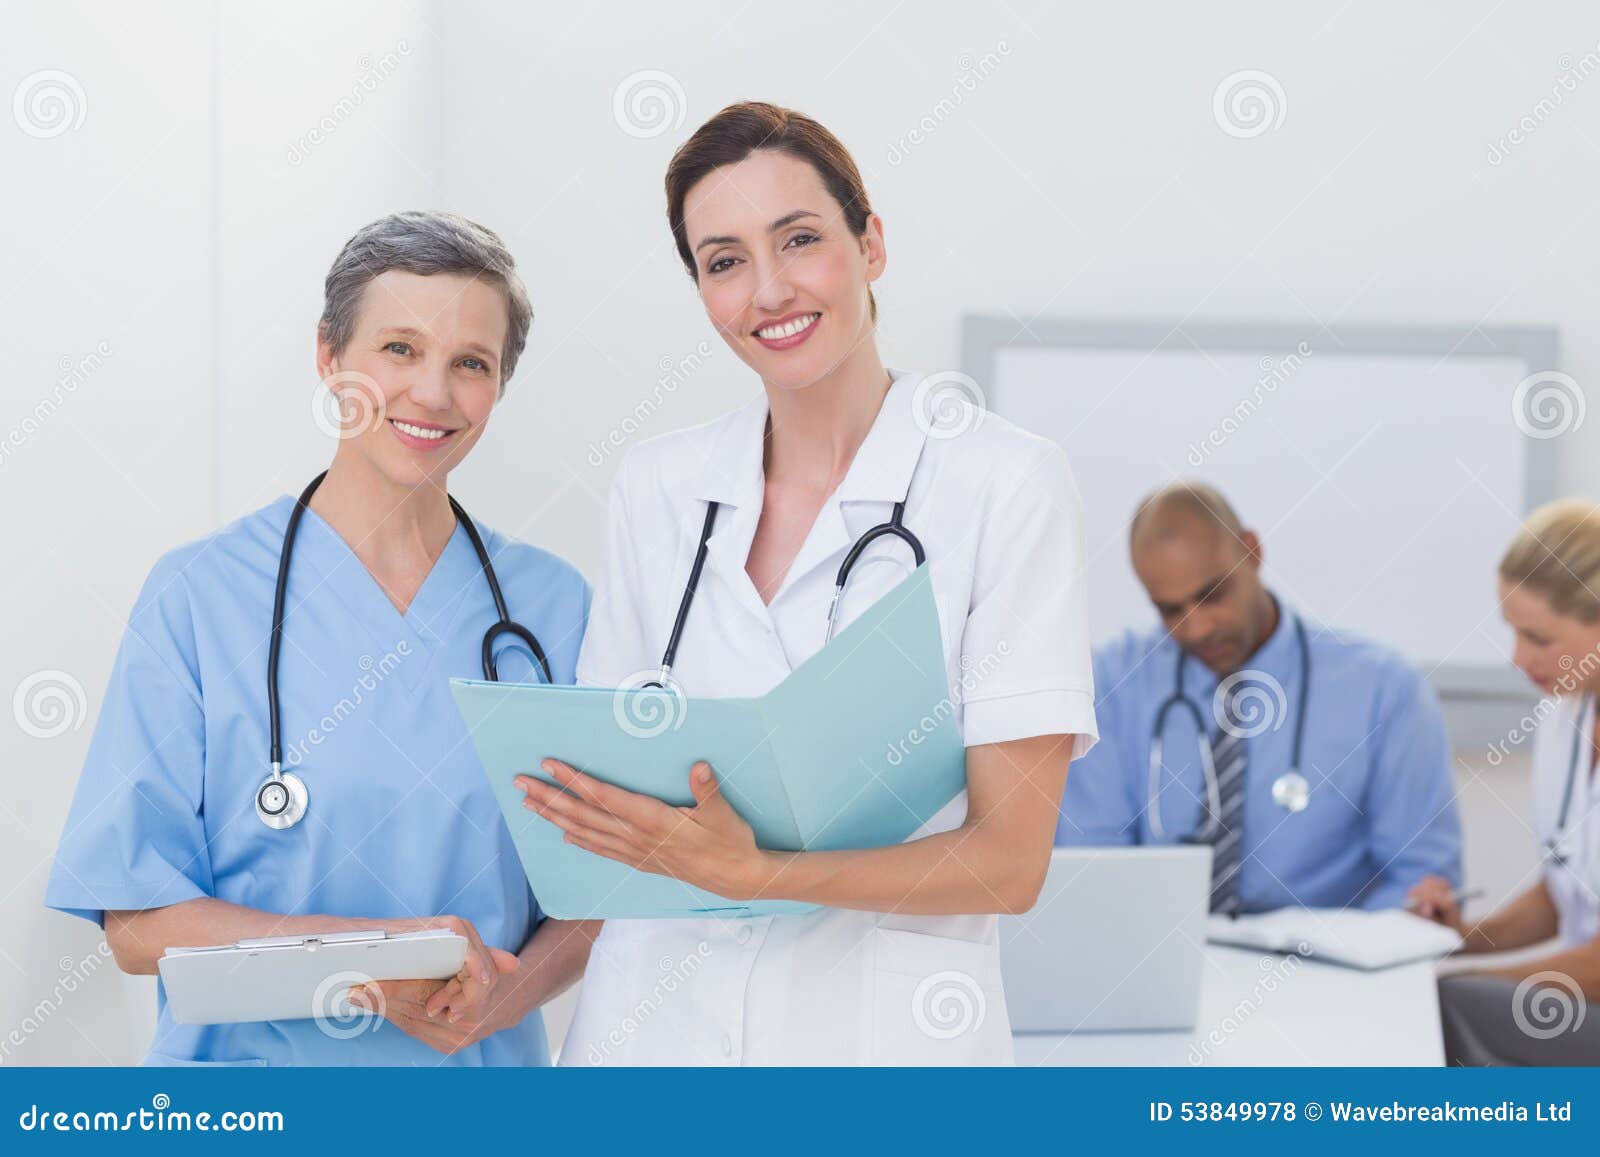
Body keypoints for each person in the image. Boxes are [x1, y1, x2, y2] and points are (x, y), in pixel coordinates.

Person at [515, 102, 1097, 1065]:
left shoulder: (1003, 483)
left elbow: (1008, 861)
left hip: (878, 1049)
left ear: (870, 244)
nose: (770, 289)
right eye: (725, 260)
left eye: (800, 240)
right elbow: (611, 809)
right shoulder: (657, 488)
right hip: (649, 1040)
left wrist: (758, 874)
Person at [44, 211, 596, 1066]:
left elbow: (601, 895)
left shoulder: (553, 606)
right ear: (329, 356)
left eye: (471, 363)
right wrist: (374, 963)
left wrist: (506, 994)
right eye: (400, 349)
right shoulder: (201, 597)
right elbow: (137, 922)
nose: (434, 394)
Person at [1057, 482, 1461, 912]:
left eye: (1212, 595)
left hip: (1326, 970)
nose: (1197, 630)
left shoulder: (1385, 689)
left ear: (1251, 551)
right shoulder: (1113, 683)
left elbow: (1418, 877)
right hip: (1154, 957)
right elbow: (1090, 870)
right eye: (1170, 610)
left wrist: (1405, 915)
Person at [1412, 500, 1600, 1064]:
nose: (1519, 659)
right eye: (1512, 633)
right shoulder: (1566, 713)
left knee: (1447, 1012)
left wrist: (1471, 981)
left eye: (1539, 638)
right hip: (1578, 1000)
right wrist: (1458, 938)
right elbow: (1566, 893)